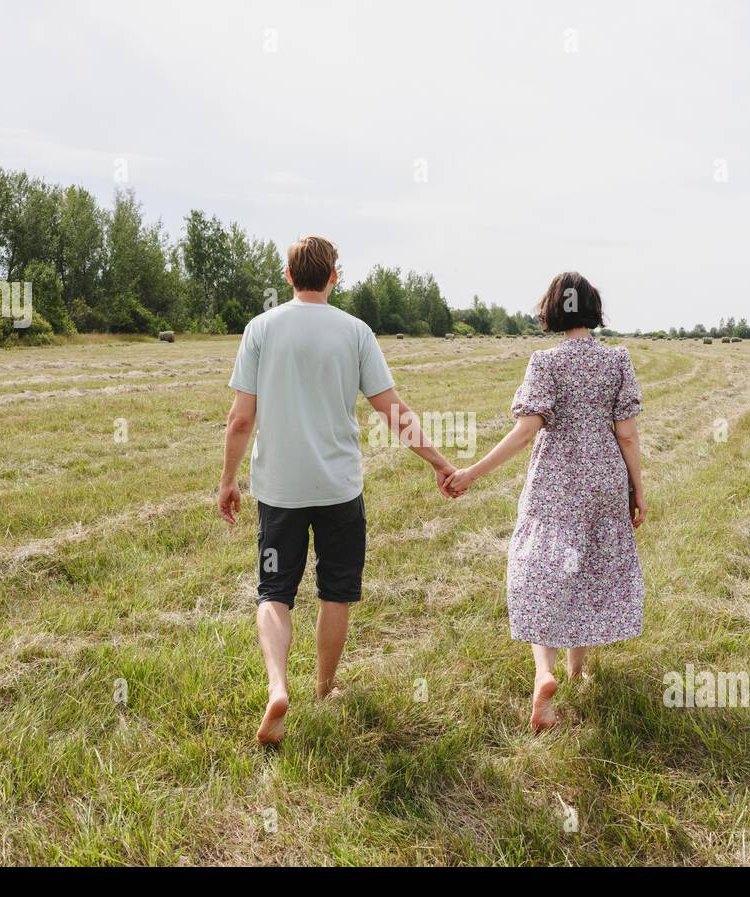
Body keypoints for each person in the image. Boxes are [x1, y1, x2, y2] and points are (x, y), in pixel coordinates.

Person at [218, 235, 461, 745]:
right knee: (336, 592)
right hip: (338, 488)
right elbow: (392, 409)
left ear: (288, 276)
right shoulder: (355, 332)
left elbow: (241, 419)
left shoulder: (260, 329)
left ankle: (277, 687)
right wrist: (439, 462)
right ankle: (324, 689)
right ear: (335, 276)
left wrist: (228, 480)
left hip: (278, 490)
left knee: (274, 591)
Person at [444, 272, 647, 732]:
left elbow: (525, 430)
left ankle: (545, 673)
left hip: (555, 481)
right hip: (604, 480)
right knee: (591, 564)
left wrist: (471, 473)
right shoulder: (617, 360)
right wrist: (637, 489)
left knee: (541, 569)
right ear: (593, 309)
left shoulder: (545, 363)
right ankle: (578, 671)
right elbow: (628, 434)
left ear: (554, 310)